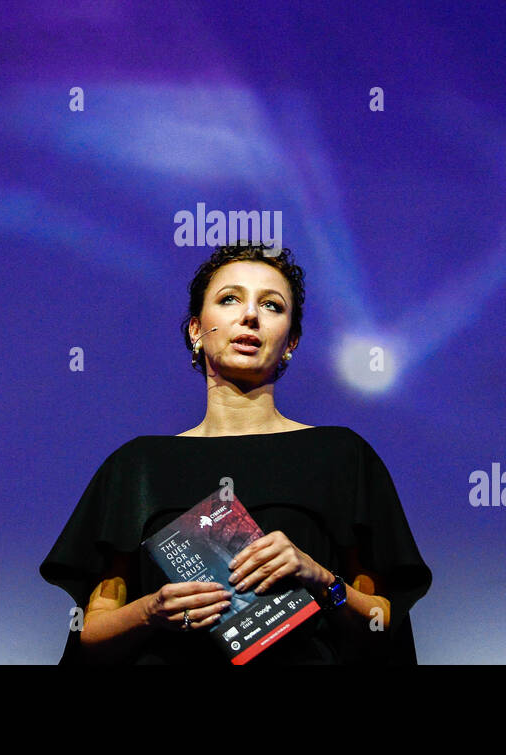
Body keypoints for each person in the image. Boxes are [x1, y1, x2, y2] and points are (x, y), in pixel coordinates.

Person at [39, 243, 432, 663]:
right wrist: (151, 611)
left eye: (272, 306)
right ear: (196, 330)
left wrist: (318, 578)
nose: (250, 316)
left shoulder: (340, 456)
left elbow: (381, 624)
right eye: (230, 299)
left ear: (291, 341)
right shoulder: (138, 467)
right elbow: (91, 632)